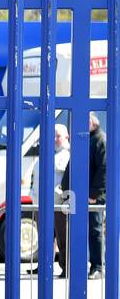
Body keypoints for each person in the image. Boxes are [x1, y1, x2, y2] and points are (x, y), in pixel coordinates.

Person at [62, 114, 106, 279]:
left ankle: (97, 267)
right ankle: (82, 265)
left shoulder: (100, 140)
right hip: (79, 194)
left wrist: (94, 194)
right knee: (79, 230)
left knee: (95, 230)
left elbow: (104, 169)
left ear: (92, 122)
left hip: (92, 196)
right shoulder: (85, 140)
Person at [29, 123, 70, 278]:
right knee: (44, 237)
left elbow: (70, 181)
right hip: (41, 203)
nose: (54, 139)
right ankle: (44, 266)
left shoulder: (69, 155)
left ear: (66, 137)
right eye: (52, 135)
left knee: (63, 238)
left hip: (59, 204)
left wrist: (66, 202)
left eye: (58, 136)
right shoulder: (46, 154)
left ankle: (66, 267)